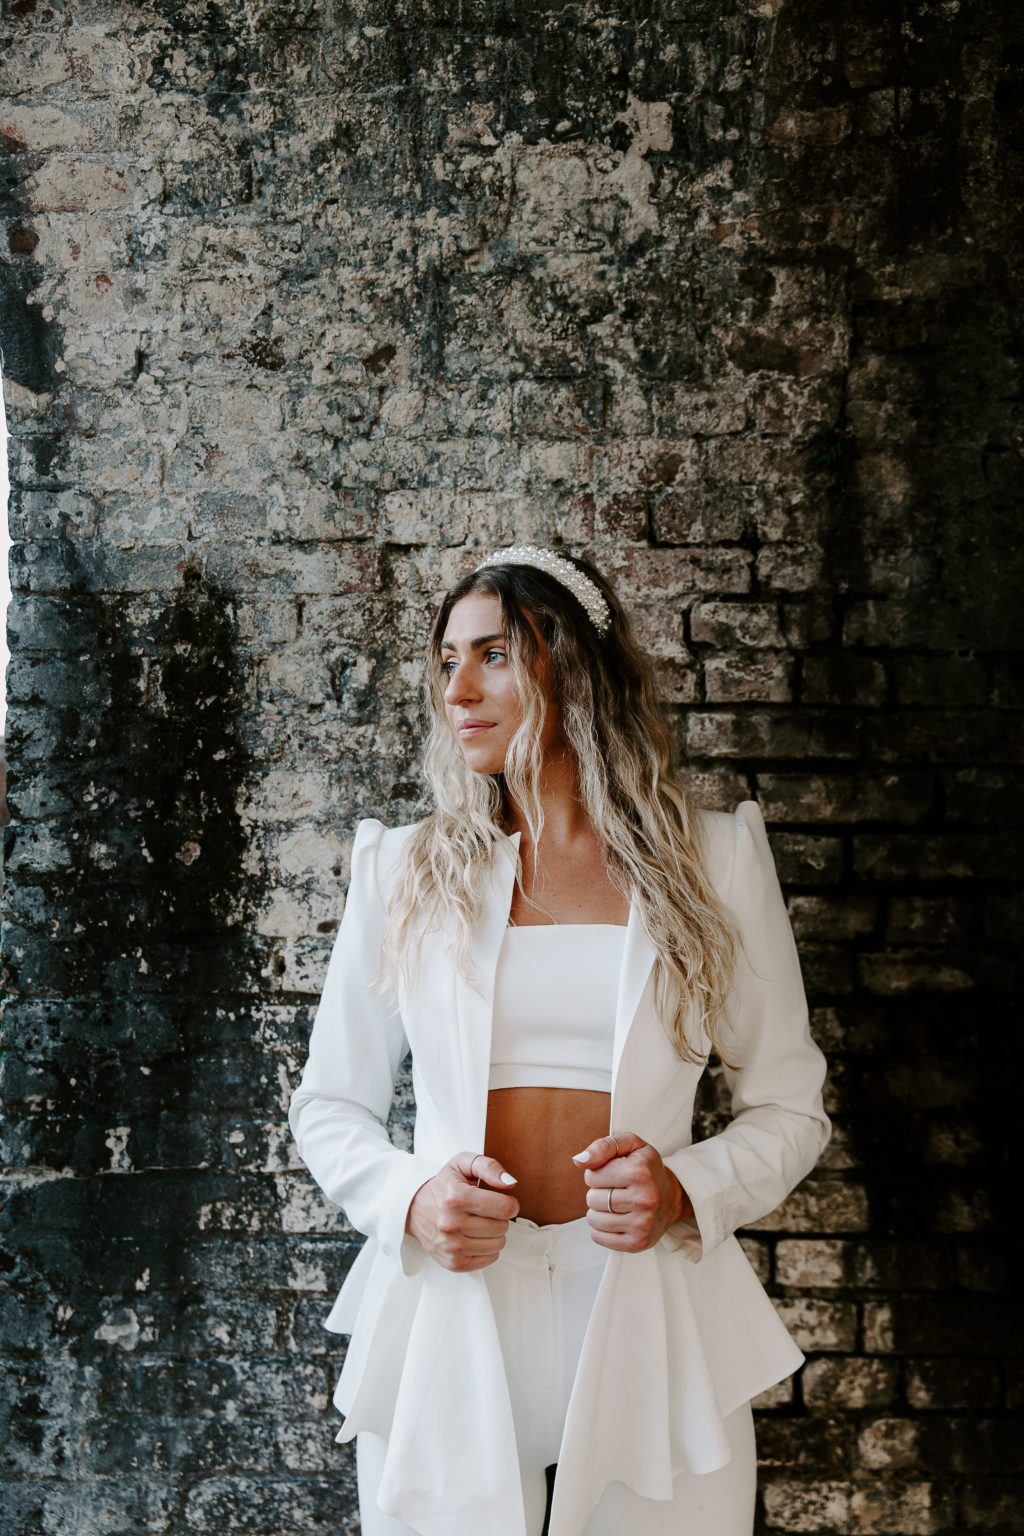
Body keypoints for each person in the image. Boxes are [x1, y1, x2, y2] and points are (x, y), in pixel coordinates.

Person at [288, 544, 830, 1536]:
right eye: (446, 661)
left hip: (647, 1305)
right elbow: (329, 1103)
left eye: (493, 655)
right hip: (454, 1309)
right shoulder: (404, 869)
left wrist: (683, 1189)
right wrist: (411, 1199)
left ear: (573, 666)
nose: (457, 690)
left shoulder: (712, 861)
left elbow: (790, 1106)